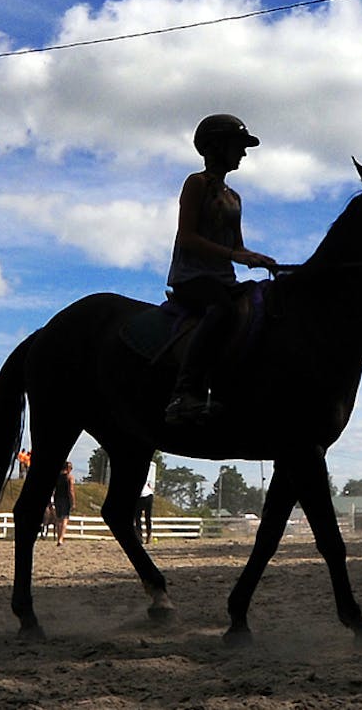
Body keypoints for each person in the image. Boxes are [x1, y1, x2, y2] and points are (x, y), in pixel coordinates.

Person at [164, 113, 277, 425]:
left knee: (262, 304)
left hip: (223, 279)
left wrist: (258, 258)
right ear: (216, 147)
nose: (242, 153)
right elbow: (187, 238)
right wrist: (234, 255)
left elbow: (237, 247)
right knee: (223, 311)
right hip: (192, 278)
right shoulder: (196, 183)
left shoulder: (234, 197)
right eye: (238, 145)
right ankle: (184, 392)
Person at [53, 461, 75, 545]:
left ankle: (58, 538)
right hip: (65, 500)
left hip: (57, 499)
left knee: (58, 520)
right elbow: (71, 491)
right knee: (64, 519)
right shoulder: (69, 477)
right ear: (68, 468)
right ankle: (61, 539)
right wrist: (73, 503)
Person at [135, 459, 157, 544]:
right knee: (148, 517)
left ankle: (139, 537)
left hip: (141, 496)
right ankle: (148, 536)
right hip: (149, 494)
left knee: (137, 517)